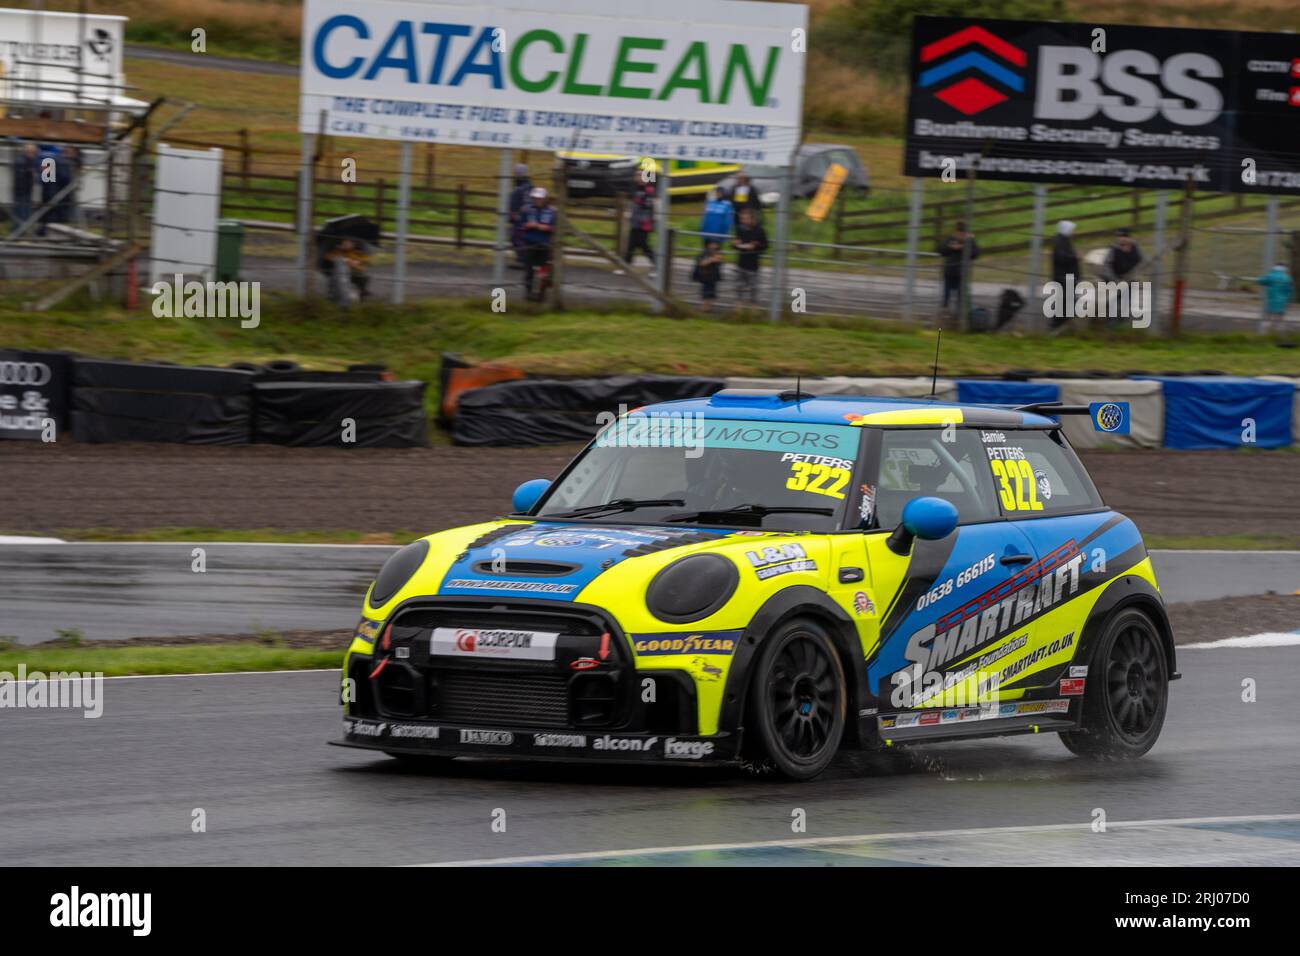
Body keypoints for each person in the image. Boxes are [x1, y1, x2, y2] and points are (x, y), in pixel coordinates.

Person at [520, 186, 557, 302]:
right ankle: (528, 293)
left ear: (545, 199)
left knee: (543, 271)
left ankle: (541, 294)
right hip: (529, 244)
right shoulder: (527, 210)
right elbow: (521, 225)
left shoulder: (551, 212)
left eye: (540, 198)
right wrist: (527, 225)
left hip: (544, 245)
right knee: (528, 270)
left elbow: (554, 228)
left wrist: (539, 226)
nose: (537, 201)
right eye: (535, 198)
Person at [937, 221, 978, 314]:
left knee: (961, 297)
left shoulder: (969, 241)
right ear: (955, 231)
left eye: (962, 233)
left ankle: (959, 315)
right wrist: (951, 247)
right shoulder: (950, 239)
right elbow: (940, 250)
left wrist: (964, 246)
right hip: (949, 272)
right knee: (946, 296)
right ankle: (944, 313)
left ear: (965, 233)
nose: (960, 235)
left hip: (962, 274)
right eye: (958, 232)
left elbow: (975, 254)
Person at [732, 207, 768, 304]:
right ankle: (738, 308)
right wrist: (734, 244)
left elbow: (765, 246)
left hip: (753, 265)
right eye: (742, 219)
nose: (743, 221)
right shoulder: (740, 229)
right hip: (741, 263)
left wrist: (756, 246)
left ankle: (753, 310)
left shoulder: (760, 230)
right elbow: (735, 245)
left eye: (746, 219)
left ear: (752, 219)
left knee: (754, 289)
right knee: (738, 287)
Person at [1050, 220, 1080, 330]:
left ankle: (1062, 325)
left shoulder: (1064, 241)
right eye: (1071, 230)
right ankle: (1057, 326)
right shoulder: (1060, 242)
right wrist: (1075, 257)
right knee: (1063, 303)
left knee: (1067, 302)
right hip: (1062, 278)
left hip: (1067, 277)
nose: (1073, 232)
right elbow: (1062, 258)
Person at [1254, 263, 1295, 334]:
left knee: (1267, 318)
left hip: (1271, 301)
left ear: (1274, 268)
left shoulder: (1271, 276)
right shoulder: (1287, 278)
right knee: (1280, 319)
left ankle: (1263, 334)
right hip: (1282, 301)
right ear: (1284, 269)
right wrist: (1290, 301)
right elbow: (1290, 290)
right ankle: (1279, 335)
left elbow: (1260, 281)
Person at [625, 183, 656, 274]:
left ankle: (657, 264)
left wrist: (643, 219)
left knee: (643, 245)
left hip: (643, 223)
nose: (637, 177)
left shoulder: (648, 191)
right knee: (631, 244)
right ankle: (626, 265)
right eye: (637, 175)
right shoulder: (636, 189)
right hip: (635, 222)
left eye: (640, 175)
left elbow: (648, 206)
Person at [507, 163, 533, 267]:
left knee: (516, 237)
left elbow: (514, 203)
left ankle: (522, 260)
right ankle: (523, 259)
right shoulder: (530, 186)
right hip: (528, 216)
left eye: (516, 172)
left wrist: (513, 215)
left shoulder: (519, 188)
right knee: (522, 238)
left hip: (520, 217)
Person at [10, 143, 38, 231]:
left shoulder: (28, 160)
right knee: (22, 213)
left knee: (24, 213)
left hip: (25, 192)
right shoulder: (22, 161)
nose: (34, 155)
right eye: (33, 152)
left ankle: (20, 231)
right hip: (22, 192)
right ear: (28, 152)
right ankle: (18, 232)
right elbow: (21, 179)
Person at [692, 240, 723, 312]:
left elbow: (719, 262)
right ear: (708, 245)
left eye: (716, 244)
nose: (715, 246)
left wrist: (717, 259)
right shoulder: (704, 253)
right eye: (713, 244)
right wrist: (711, 259)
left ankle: (709, 307)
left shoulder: (717, 254)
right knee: (705, 292)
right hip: (705, 276)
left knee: (712, 292)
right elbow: (701, 263)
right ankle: (705, 307)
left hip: (713, 277)